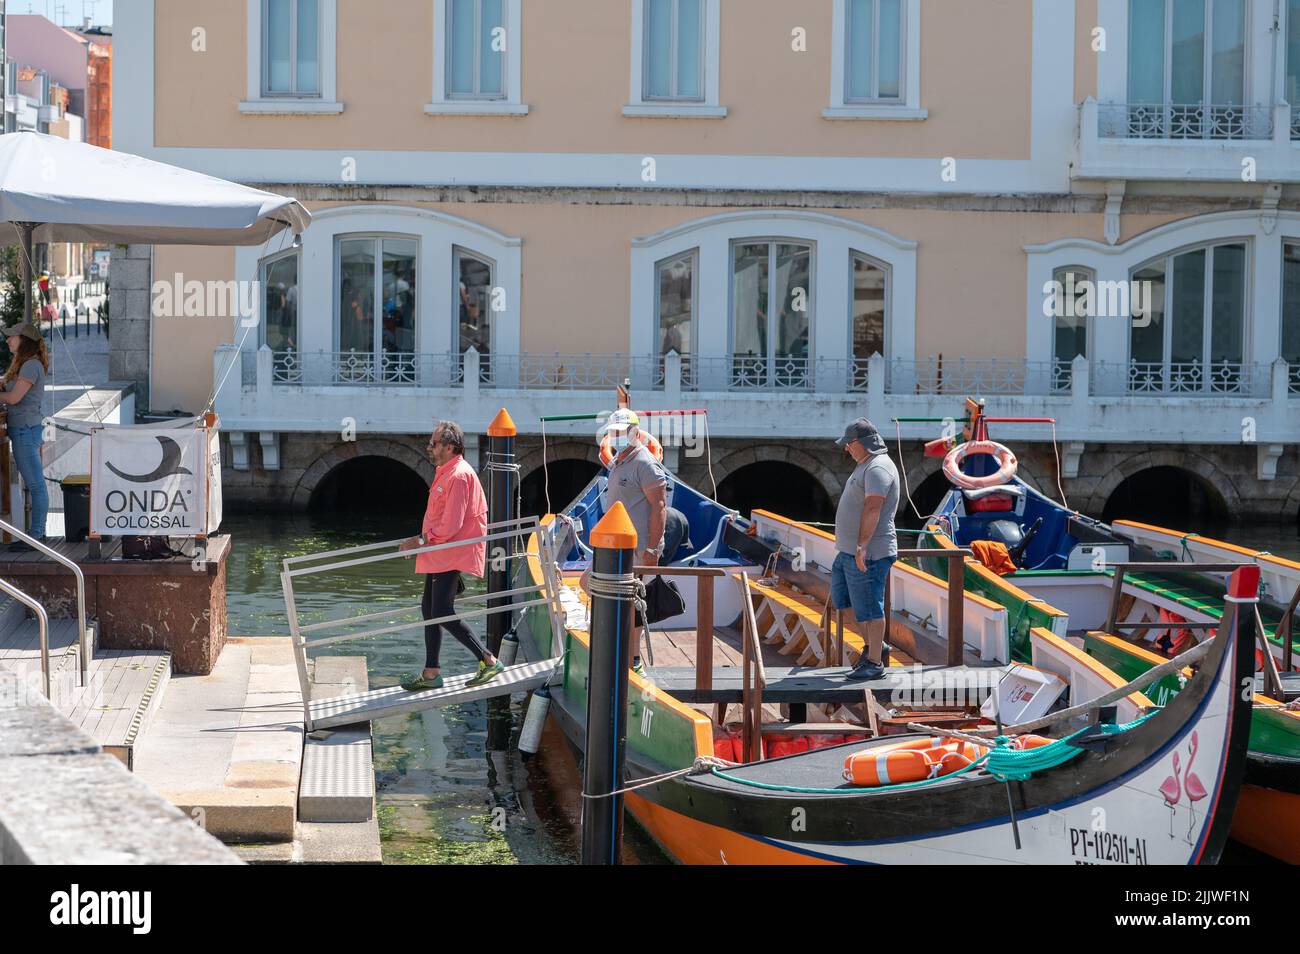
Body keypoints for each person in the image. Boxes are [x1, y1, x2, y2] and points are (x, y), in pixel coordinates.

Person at [399, 421, 503, 690]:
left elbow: (452, 524)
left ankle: (489, 660)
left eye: (433, 443)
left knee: (442, 611)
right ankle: (431, 671)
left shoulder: (458, 475)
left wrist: (420, 540)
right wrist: (424, 542)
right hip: (439, 550)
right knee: (430, 610)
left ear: (450, 446)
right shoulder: (446, 471)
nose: (429, 447)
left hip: (449, 549)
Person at [598, 409, 690, 673]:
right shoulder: (619, 461)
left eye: (623, 431)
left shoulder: (645, 463)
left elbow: (659, 505)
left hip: (637, 548)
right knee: (604, 591)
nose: (618, 436)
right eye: (614, 432)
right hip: (615, 546)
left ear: (635, 431)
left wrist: (651, 548)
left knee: (632, 602)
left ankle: (632, 659)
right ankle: (621, 649)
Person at [832, 417, 900, 681]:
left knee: (871, 607)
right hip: (847, 552)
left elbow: (874, 507)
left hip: (868, 553)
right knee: (844, 601)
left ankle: (874, 662)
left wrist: (861, 546)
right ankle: (875, 645)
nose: (846, 448)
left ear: (861, 443)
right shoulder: (865, 465)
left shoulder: (878, 468)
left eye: (849, 443)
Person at [0, 323, 50, 551]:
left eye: (12, 337)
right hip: (25, 430)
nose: (8, 340)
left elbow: (13, 398)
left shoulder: (30, 365)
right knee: (34, 484)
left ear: (24, 340)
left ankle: (37, 536)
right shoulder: (27, 364)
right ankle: (37, 534)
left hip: (25, 431)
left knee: (36, 485)